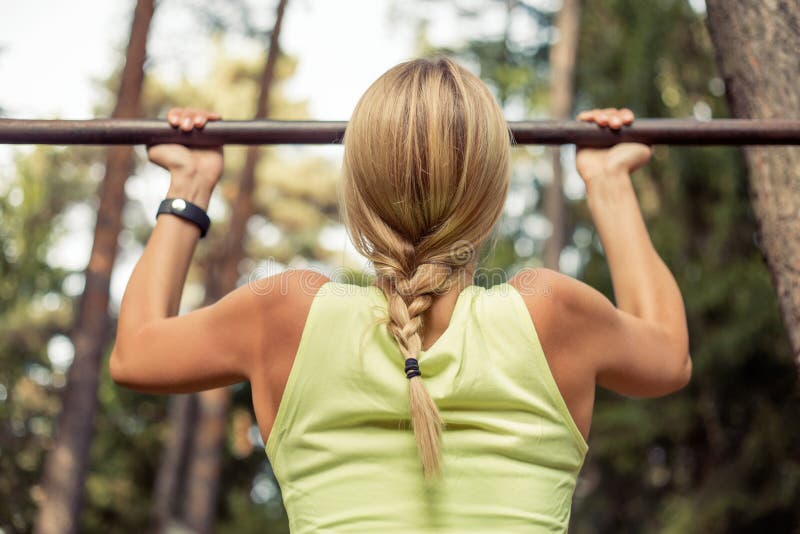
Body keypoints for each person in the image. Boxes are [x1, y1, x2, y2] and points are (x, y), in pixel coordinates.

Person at [110, 56, 691, 533]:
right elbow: (669, 356)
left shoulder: (286, 311)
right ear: (491, 197)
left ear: (357, 189)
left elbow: (134, 353)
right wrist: (609, 183)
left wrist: (189, 184)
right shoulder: (553, 311)